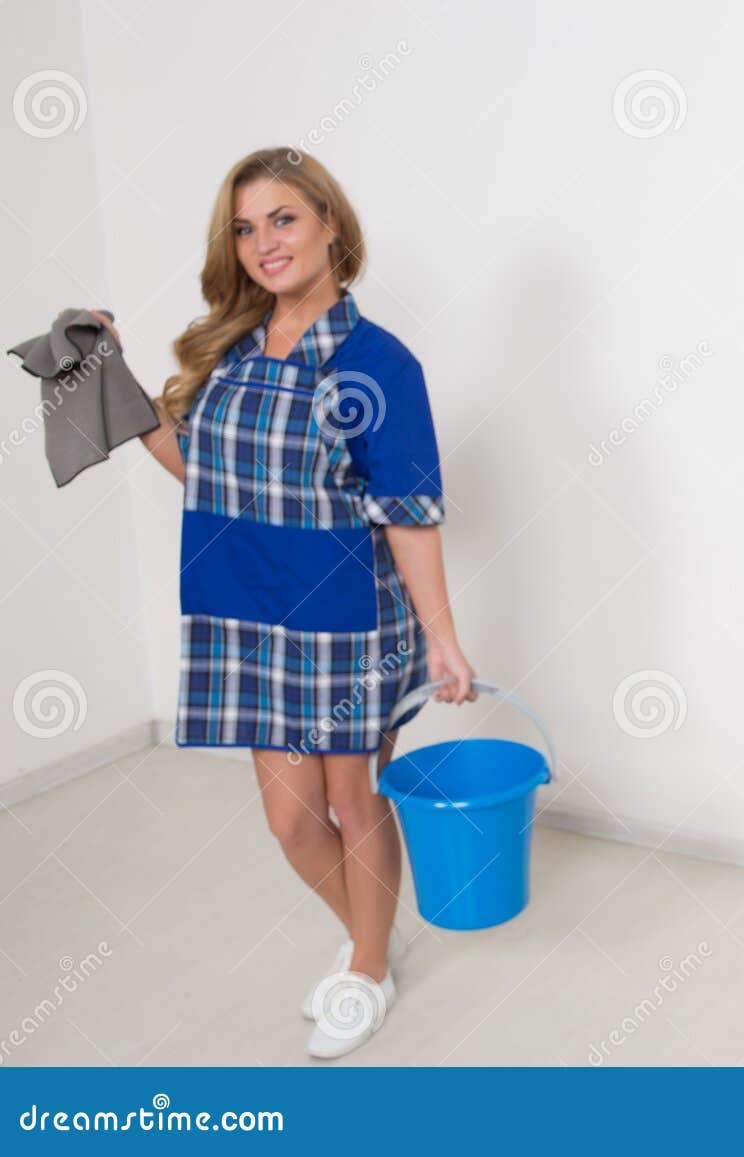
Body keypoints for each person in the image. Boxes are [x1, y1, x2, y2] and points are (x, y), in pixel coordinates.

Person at [111, 146, 477, 1059]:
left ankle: (365, 968)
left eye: (283, 218)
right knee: (289, 820)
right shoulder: (231, 350)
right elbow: (206, 474)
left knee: (353, 799)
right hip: (248, 610)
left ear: (328, 223)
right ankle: (372, 940)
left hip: (349, 614)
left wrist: (442, 638)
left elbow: (408, 511)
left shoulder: (378, 363)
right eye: (245, 228)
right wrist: (110, 376)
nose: (264, 242)